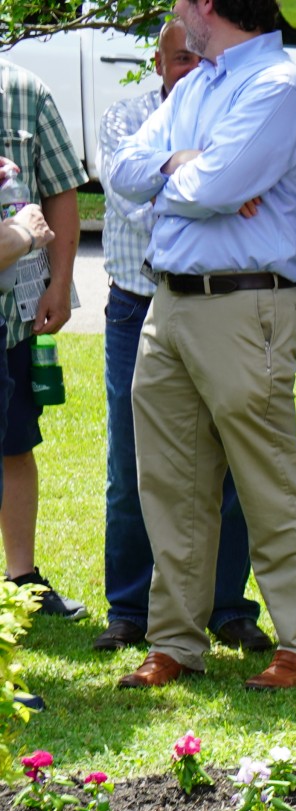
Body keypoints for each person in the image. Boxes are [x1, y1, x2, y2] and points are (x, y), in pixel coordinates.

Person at [107, 0, 296, 692]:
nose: (176, 9)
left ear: (209, 4)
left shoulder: (278, 85)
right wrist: (185, 167)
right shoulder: (201, 82)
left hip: (244, 303)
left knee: (267, 477)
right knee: (170, 483)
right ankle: (174, 640)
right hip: (167, 301)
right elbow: (119, 172)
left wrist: (180, 179)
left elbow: (218, 184)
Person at [95, 19, 265, 656]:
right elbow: (129, 197)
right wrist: (206, 184)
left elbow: (232, 186)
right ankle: (131, 609)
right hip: (136, 307)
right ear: (157, 65)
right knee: (132, 464)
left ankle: (227, 608)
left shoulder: (232, 116)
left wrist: (190, 180)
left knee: (229, 458)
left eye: (200, 58)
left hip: (214, 304)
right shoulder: (126, 120)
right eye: (178, 60)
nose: (191, 69)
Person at [0, 58, 83, 622]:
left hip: (11, 312)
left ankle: (21, 578)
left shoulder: (26, 90)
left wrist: (58, 282)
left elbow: (59, 193)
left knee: (15, 440)